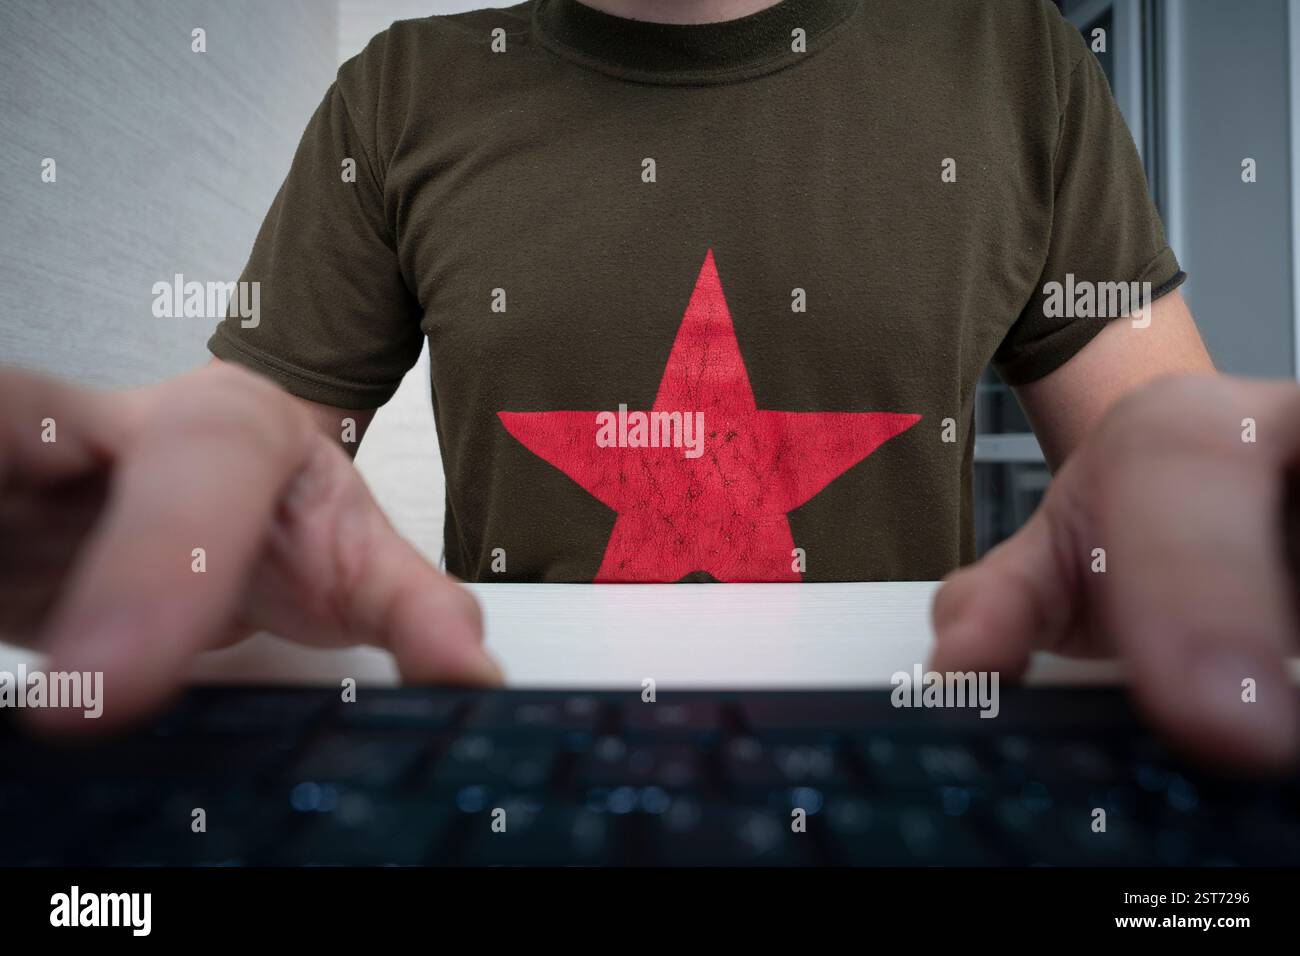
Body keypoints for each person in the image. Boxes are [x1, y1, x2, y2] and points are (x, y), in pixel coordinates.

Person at [0, 0, 1294, 769]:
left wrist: (1210, 498)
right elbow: (252, 482)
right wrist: (169, 542)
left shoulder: (1012, 54)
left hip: (915, 755)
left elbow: (1161, 489)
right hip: (521, 765)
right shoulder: (398, 91)